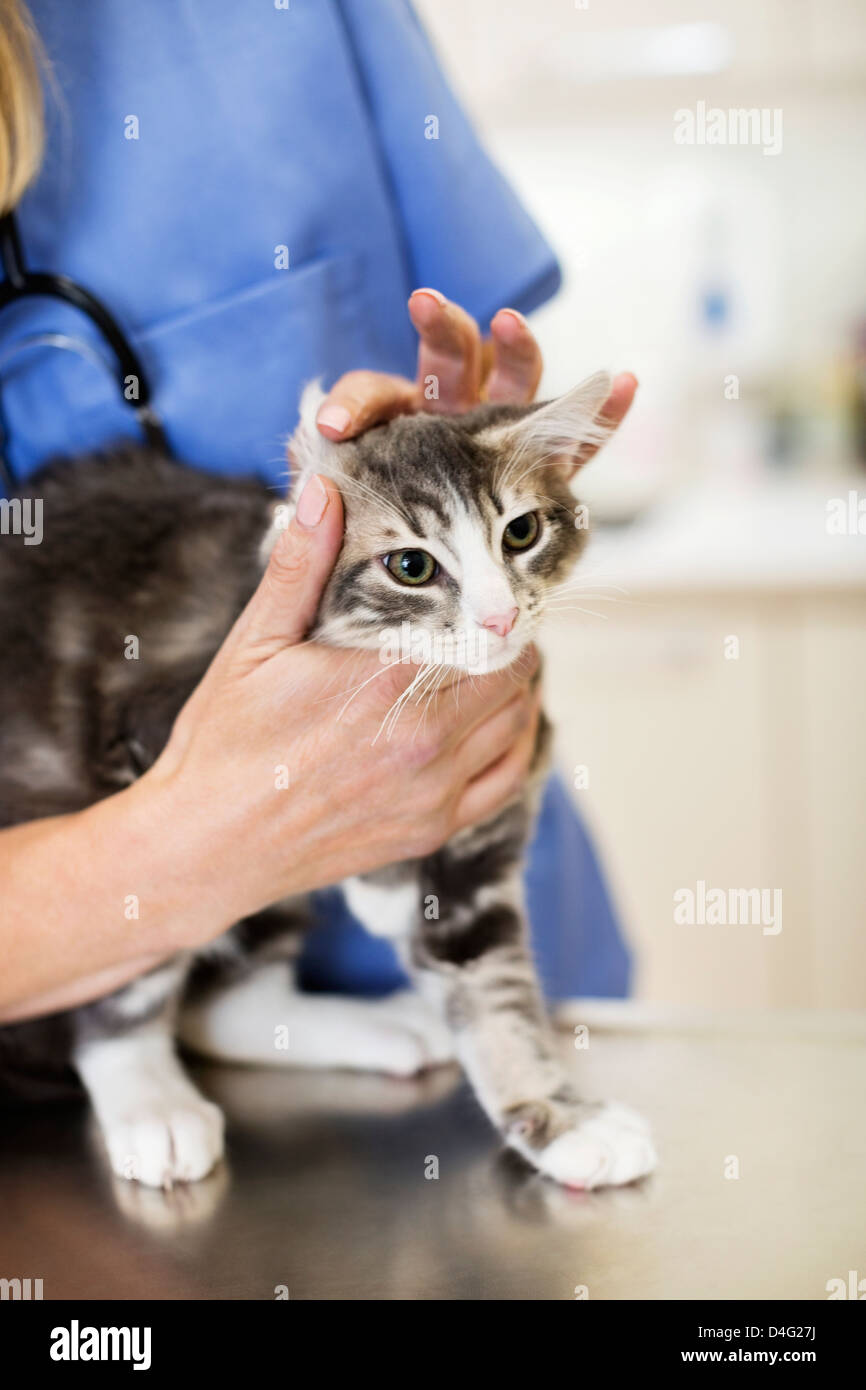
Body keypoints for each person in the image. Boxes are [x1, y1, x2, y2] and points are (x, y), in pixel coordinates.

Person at [0, 0, 635, 1023]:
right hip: (69, 1084)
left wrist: (474, 478)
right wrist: (193, 850)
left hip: (456, 924)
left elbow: (464, 381)